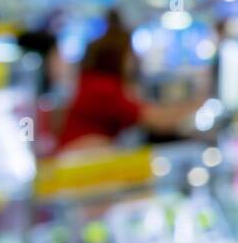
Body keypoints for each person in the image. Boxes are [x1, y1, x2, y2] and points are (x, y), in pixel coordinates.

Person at [56, 26, 205, 153]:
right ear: (117, 55)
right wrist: (198, 104)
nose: (134, 61)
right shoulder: (103, 89)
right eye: (130, 55)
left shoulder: (95, 82)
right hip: (78, 164)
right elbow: (157, 121)